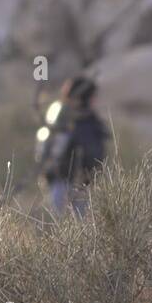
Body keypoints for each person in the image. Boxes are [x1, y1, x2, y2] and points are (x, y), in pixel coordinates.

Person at [35, 75, 109, 216]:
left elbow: (97, 154)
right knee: (58, 224)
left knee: (80, 227)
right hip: (60, 181)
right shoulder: (61, 117)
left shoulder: (92, 122)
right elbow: (48, 149)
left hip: (83, 185)